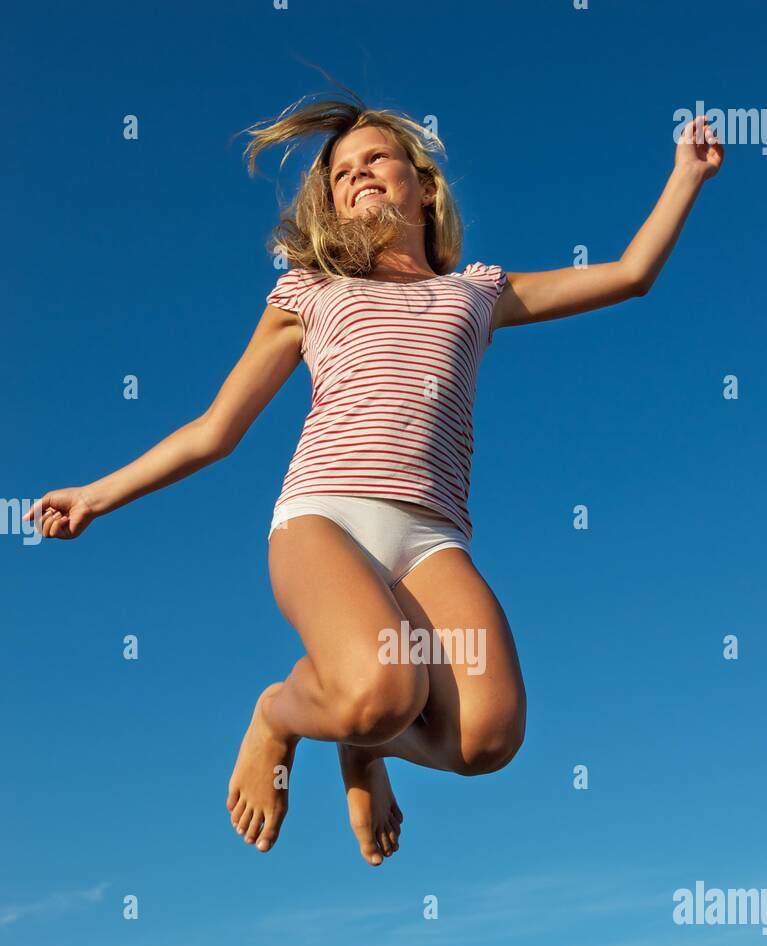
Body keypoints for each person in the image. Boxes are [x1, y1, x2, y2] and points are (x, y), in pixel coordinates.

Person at [26, 97, 723, 866]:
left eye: (375, 160)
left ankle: (365, 752)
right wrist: (97, 492)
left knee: (486, 739)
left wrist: (684, 178)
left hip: (430, 536)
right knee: (382, 691)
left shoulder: (478, 291)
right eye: (340, 172)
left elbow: (628, 275)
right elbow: (214, 430)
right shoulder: (308, 293)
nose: (356, 174)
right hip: (323, 517)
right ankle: (279, 713)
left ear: (422, 185)